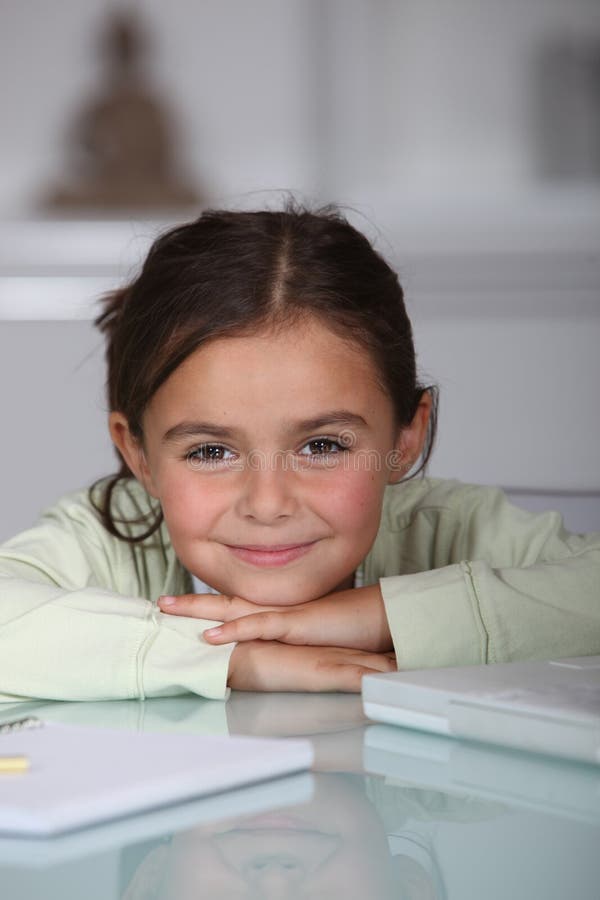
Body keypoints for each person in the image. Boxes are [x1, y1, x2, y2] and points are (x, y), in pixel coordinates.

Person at [0, 205, 598, 703]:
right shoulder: (109, 539)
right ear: (139, 455)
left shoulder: (448, 531)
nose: (268, 504)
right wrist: (231, 659)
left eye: (321, 445)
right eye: (210, 451)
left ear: (405, 436)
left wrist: (383, 617)